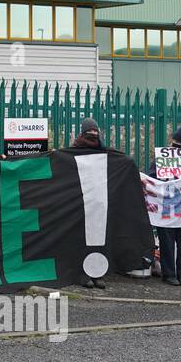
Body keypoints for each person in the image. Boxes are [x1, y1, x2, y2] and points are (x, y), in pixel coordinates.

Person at [149, 125, 181, 287]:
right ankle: (180, 275)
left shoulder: (165, 157)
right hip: (180, 206)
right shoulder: (165, 157)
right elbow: (153, 177)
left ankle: (173, 274)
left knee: (176, 241)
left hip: (174, 206)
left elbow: (151, 177)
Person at [72, 117, 107, 289]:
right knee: (81, 239)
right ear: (84, 132)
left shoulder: (103, 151)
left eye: (95, 131)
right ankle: (83, 274)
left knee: (98, 240)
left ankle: (97, 274)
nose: (93, 134)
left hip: (98, 201)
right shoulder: (75, 149)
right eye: (90, 131)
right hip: (80, 200)